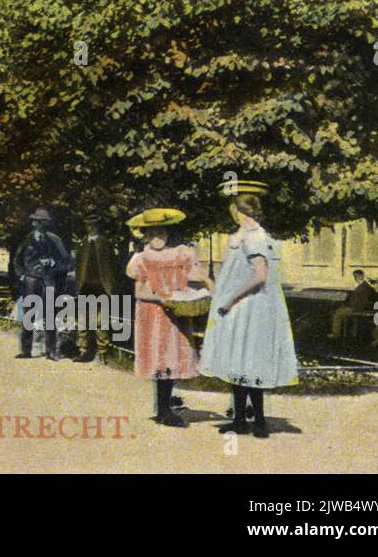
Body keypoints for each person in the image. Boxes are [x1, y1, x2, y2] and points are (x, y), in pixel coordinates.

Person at [200, 182, 298, 439]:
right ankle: (245, 420)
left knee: (246, 359)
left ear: (237, 210)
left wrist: (230, 299)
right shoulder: (251, 235)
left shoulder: (253, 237)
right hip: (252, 307)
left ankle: (255, 421)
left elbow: (260, 276)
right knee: (244, 360)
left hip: (249, 307)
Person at [125, 208, 209, 427]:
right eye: (152, 232)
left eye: (161, 231)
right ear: (145, 233)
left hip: (177, 314)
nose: (157, 236)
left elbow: (197, 277)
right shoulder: (141, 258)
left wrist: (203, 287)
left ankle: (165, 407)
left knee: (173, 356)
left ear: (170, 231)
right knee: (159, 359)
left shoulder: (182, 253)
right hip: (152, 314)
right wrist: (164, 297)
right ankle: (163, 410)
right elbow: (139, 290)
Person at [12, 208, 74, 360]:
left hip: (48, 280)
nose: (38, 224)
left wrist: (53, 263)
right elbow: (17, 259)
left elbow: (66, 261)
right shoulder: (26, 239)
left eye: (41, 222)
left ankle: (51, 351)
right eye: (36, 221)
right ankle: (26, 350)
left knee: (50, 315)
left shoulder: (54, 240)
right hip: (31, 280)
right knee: (29, 315)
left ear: (45, 224)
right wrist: (22, 275)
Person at [73, 214, 117, 363]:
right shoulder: (83, 244)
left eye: (93, 225)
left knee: (101, 321)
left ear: (98, 226)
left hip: (101, 287)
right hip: (85, 286)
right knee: (83, 320)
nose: (90, 228)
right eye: (88, 225)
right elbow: (78, 265)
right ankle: (83, 350)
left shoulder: (105, 244)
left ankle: (102, 352)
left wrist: (111, 286)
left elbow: (112, 267)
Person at [328, 270, 377, 343]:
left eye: (357, 276)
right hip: (357, 307)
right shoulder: (364, 286)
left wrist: (347, 305)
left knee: (337, 313)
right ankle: (344, 332)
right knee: (337, 311)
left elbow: (358, 302)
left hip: (357, 308)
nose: (355, 278)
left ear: (361, 276)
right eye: (355, 276)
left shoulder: (363, 287)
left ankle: (336, 334)